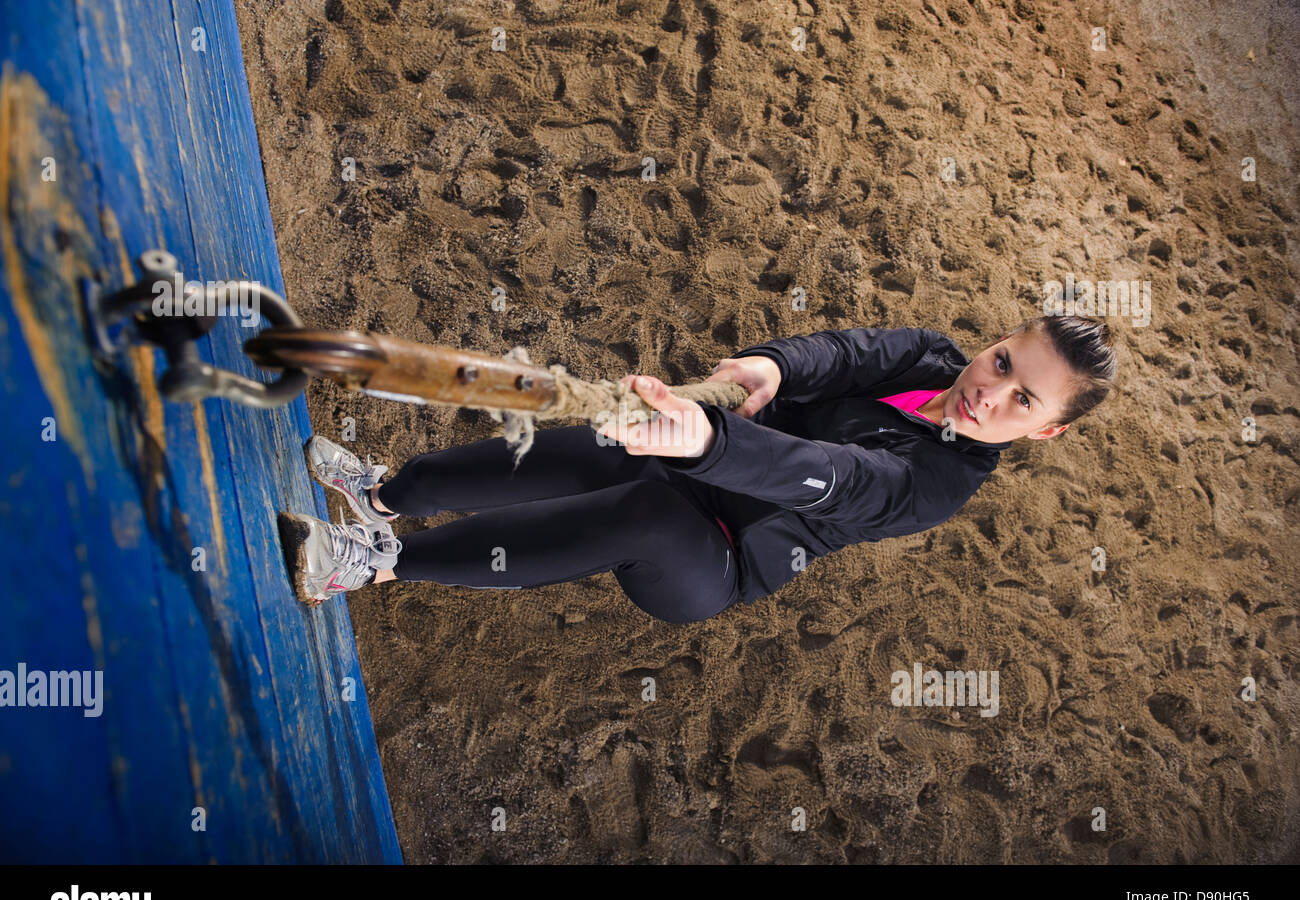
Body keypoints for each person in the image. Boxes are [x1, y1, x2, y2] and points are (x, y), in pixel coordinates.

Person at [277, 315, 1117, 623]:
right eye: (1004, 362)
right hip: (700, 457)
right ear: (998, 337)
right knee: (609, 436)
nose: (991, 392)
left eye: (1024, 402)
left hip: (712, 556)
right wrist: (772, 368)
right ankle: (385, 495)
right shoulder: (930, 355)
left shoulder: (941, 485)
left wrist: (708, 444)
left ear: (1043, 434)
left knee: (647, 506)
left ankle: (379, 565)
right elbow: (839, 354)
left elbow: (832, 474)